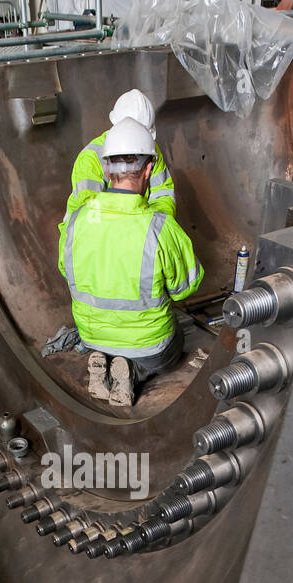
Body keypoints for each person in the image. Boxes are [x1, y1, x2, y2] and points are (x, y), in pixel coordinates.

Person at [58, 117, 203, 408]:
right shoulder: (160, 227)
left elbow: (65, 269)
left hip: (91, 336)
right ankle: (135, 371)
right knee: (174, 345)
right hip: (151, 347)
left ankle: (104, 358)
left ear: (107, 168)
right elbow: (185, 287)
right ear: (149, 170)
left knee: (111, 340)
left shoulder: (76, 220)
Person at [64, 88, 176, 221]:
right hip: (88, 235)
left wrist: (153, 228)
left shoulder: (150, 150)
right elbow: (90, 216)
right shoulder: (90, 158)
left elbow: (163, 197)